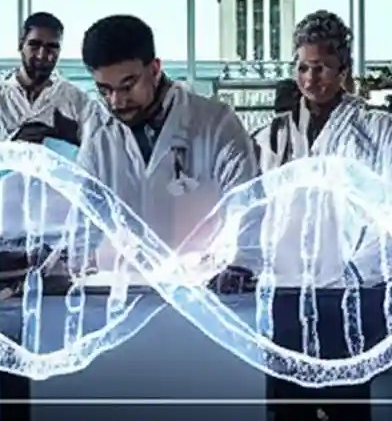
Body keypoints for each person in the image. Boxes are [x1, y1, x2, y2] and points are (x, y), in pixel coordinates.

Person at [255, 10, 392, 421]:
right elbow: (258, 208)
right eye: (303, 67)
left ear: (344, 70)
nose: (311, 78)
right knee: (286, 405)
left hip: (350, 294)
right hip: (285, 292)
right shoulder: (274, 134)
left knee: (346, 405)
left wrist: (356, 272)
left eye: (323, 68)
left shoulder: (378, 129)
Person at [75, 14, 259, 279]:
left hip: (201, 288)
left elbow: (247, 203)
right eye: (104, 89)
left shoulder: (215, 122)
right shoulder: (99, 135)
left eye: (128, 85)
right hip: (122, 289)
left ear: (155, 69)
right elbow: (84, 216)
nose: (117, 101)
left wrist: (240, 264)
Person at [0, 12, 102, 249]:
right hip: (2, 227)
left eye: (52, 47)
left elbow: (91, 170)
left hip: (57, 230)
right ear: (21, 44)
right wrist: (13, 144)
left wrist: (67, 138)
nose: (43, 55)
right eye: (35, 45)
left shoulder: (76, 100)